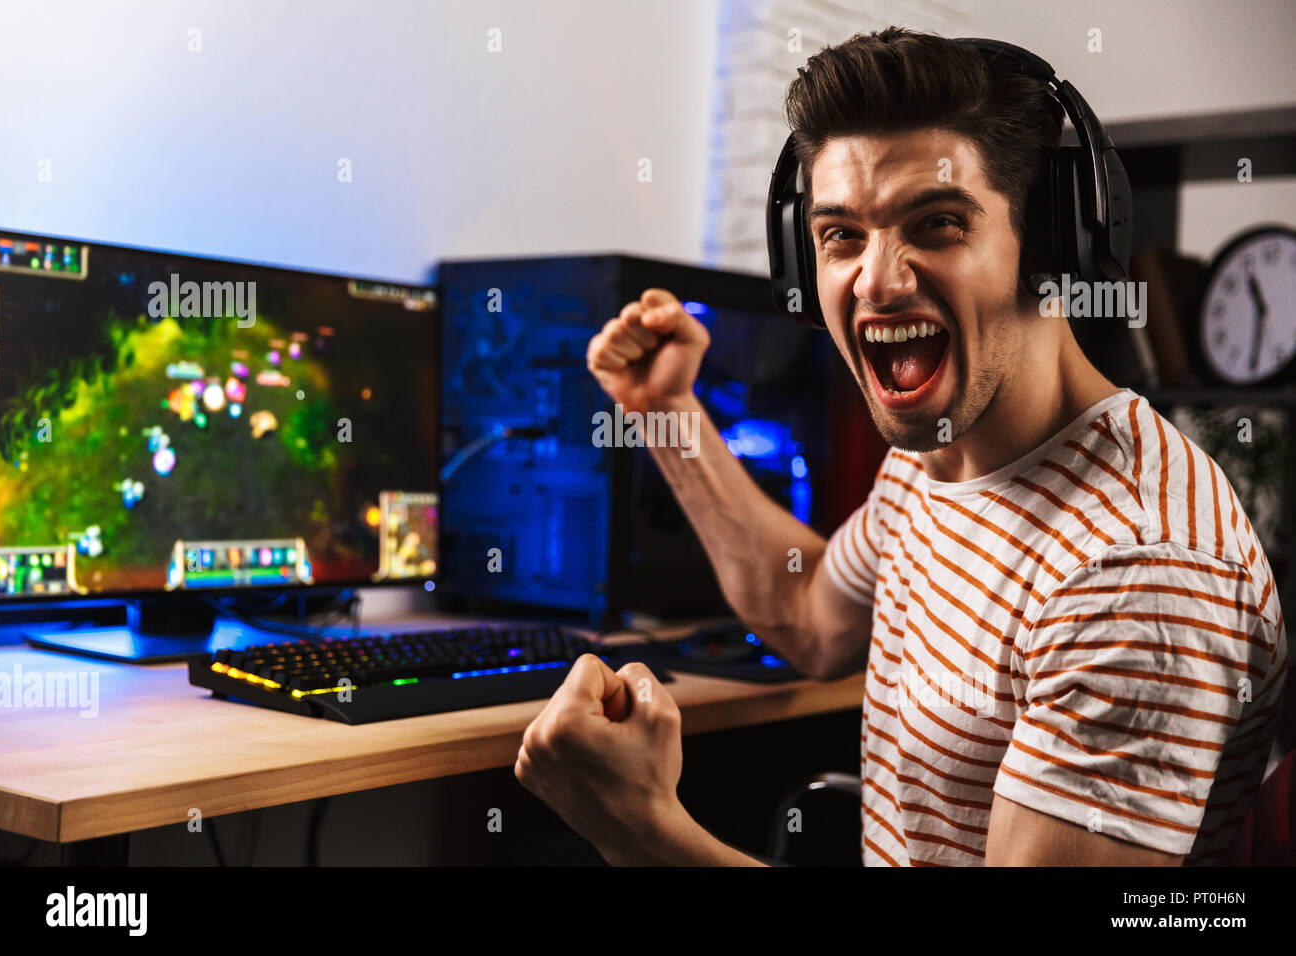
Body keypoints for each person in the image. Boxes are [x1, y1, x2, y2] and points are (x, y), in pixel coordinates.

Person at [513, 27, 1288, 865]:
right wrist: (667, 412)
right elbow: (810, 620)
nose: (878, 280)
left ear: (1053, 243)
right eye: (841, 235)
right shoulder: (936, 457)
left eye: (938, 223)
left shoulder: (1136, 568)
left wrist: (638, 829)